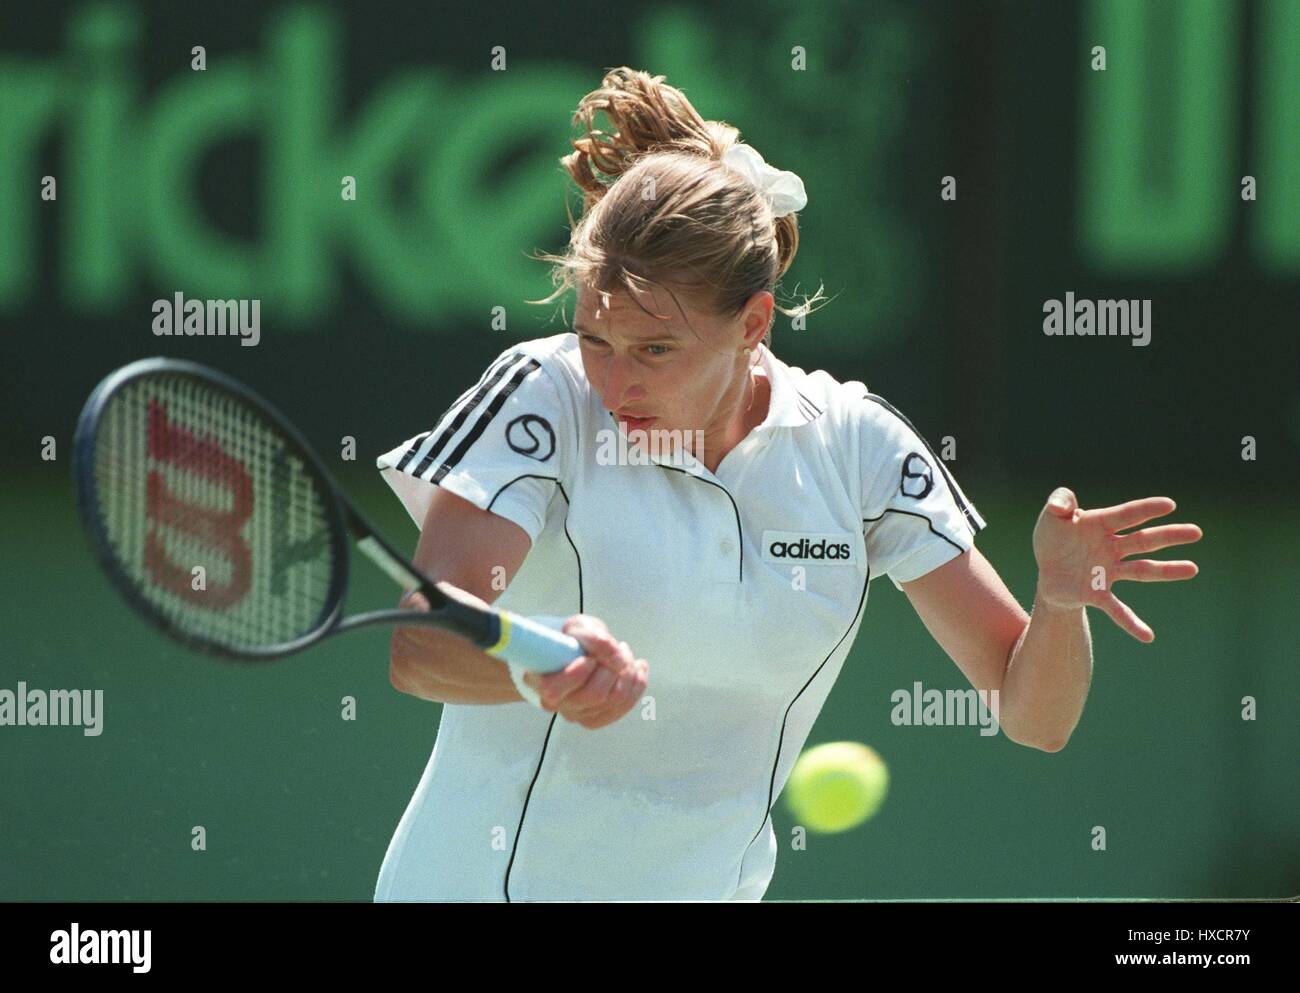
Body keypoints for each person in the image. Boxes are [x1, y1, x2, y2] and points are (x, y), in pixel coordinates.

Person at [372, 68, 1202, 902]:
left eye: (656, 350)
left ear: (754, 323)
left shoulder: (856, 448)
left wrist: (1058, 603)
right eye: (594, 338)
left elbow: (1035, 715)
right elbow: (421, 644)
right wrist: (538, 666)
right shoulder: (542, 394)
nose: (613, 381)